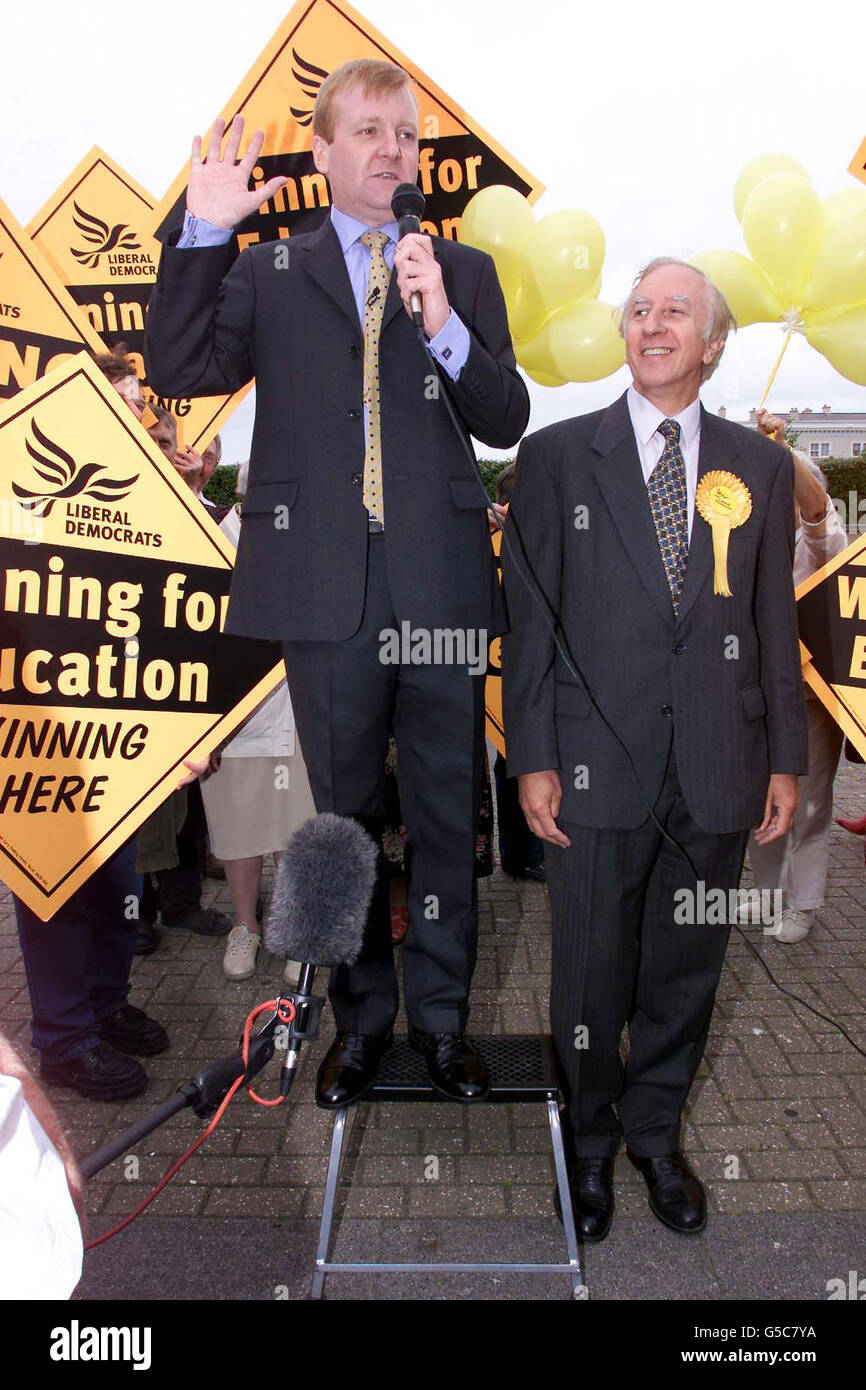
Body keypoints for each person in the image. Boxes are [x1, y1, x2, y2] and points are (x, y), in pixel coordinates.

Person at [145, 59, 529, 1105]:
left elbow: (505, 416)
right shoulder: (268, 271)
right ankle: (360, 1026)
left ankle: (441, 1025)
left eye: (402, 134)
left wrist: (441, 320)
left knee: (448, 814)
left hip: (441, 586)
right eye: (364, 131)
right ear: (320, 153)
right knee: (342, 823)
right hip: (321, 593)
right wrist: (201, 231)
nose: (388, 151)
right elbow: (179, 366)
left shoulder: (463, 271)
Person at [502, 258, 807, 1240]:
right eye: (637, 308)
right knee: (588, 975)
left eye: (673, 310)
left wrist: (783, 759)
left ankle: (652, 1136)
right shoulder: (553, 462)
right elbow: (531, 626)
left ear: (711, 343)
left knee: (685, 969)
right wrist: (532, 756)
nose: (649, 322)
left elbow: (770, 623)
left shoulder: (755, 467)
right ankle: (586, 1148)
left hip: (718, 769)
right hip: (591, 773)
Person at [744, 410, 848, 943]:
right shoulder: (746, 538)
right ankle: (766, 896)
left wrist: (781, 454)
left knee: (809, 802)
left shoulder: (824, 543)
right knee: (759, 800)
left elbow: (814, 512)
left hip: (812, 698)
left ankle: (804, 903)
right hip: (756, 696)